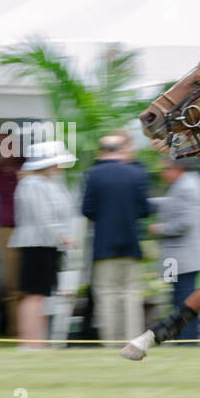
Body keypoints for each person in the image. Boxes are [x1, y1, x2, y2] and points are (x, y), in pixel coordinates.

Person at [82, 133, 152, 345]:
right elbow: (145, 209)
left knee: (107, 294)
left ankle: (110, 343)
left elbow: (87, 209)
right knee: (131, 294)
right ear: (122, 149)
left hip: (104, 245)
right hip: (131, 244)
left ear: (102, 151)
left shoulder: (93, 175)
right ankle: (132, 341)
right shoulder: (137, 174)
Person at [10, 140, 77, 347]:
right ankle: (31, 342)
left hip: (48, 245)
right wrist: (62, 235)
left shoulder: (49, 183)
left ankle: (39, 341)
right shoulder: (32, 184)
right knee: (34, 294)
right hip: (37, 244)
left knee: (41, 295)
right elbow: (43, 216)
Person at [148, 157, 200, 343]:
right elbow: (170, 203)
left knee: (184, 301)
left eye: (165, 169)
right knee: (177, 298)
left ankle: (188, 341)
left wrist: (160, 228)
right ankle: (181, 339)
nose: (162, 173)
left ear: (177, 168)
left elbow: (185, 222)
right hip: (179, 257)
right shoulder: (185, 183)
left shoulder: (187, 187)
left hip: (184, 258)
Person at [0, 133, 24, 338]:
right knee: (10, 283)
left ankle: (31, 330)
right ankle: (15, 330)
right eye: (0, 145)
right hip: (4, 230)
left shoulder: (28, 167)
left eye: (9, 145)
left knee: (28, 283)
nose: (5, 149)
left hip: (28, 229)